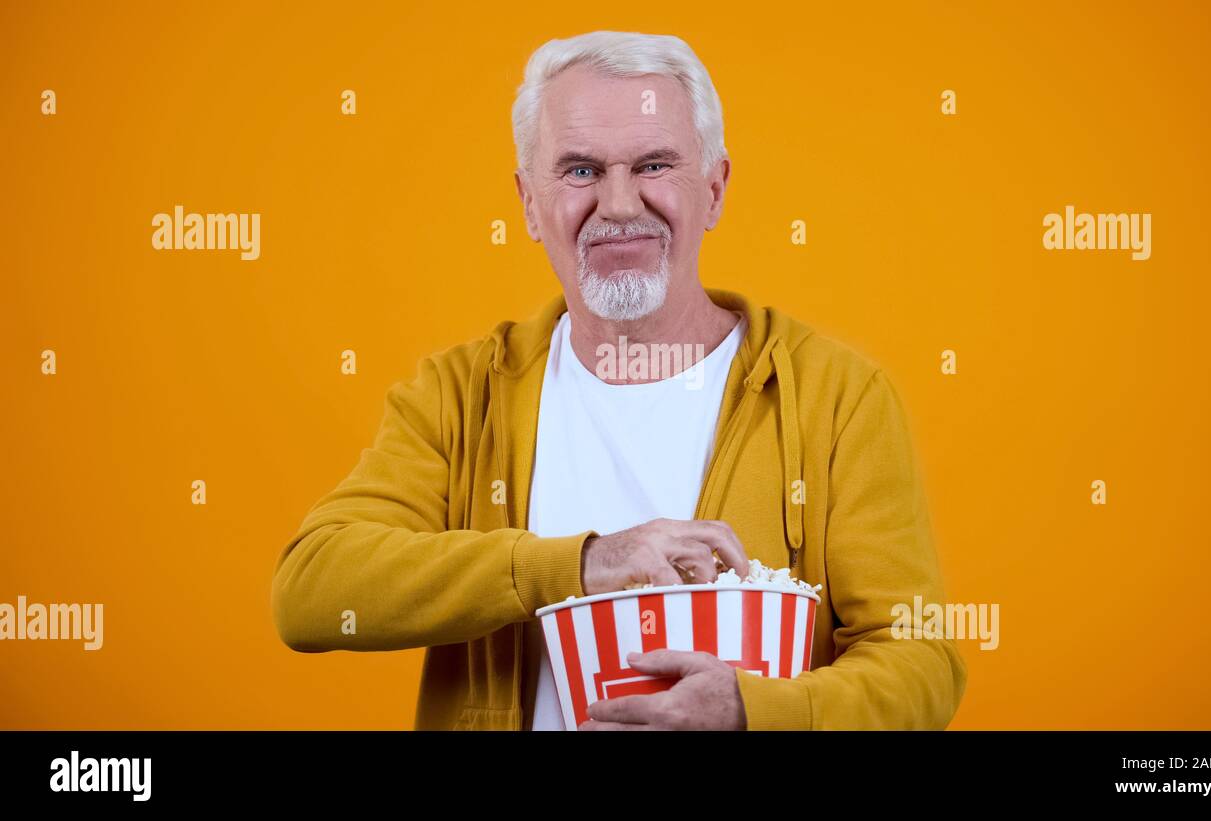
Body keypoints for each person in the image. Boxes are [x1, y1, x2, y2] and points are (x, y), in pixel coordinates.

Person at [272, 30, 966, 730]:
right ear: (529, 204)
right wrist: (582, 564)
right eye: (580, 170)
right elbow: (311, 590)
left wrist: (752, 712)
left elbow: (921, 658)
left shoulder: (838, 398)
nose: (620, 204)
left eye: (654, 164)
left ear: (715, 189)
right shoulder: (459, 395)